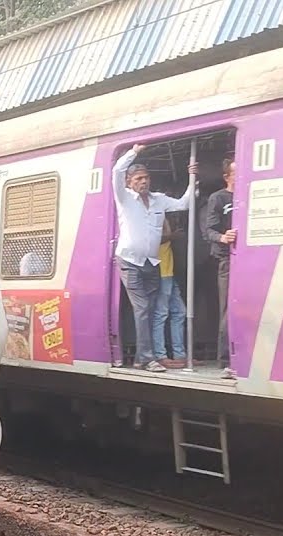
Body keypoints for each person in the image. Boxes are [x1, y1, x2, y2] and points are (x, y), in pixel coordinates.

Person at [113, 144, 195, 373]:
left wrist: (192, 178)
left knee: (148, 309)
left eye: (146, 178)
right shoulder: (125, 198)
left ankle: (141, 358)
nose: (143, 182)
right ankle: (148, 359)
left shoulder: (159, 200)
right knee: (142, 308)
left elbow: (184, 204)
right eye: (138, 178)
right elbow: (117, 172)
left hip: (151, 263)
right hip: (130, 262)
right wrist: (134, 152)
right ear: (129, 182)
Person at [203, 157, 236, 379]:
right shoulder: (218, 198)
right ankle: (225, 360)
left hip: (248, 259)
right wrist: (223, 237)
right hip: (227, 259)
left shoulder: (248, 194)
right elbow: (208, 231)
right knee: (227, 310)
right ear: (227, 177)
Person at [151, 220, 187, 368]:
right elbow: (152, 239)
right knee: (161, 314)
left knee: (179, 312)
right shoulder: (152, 216)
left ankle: (179, 355)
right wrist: (172, 236)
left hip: (168, 270)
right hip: (160, 270)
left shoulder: (162, 216)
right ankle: (160, 355)